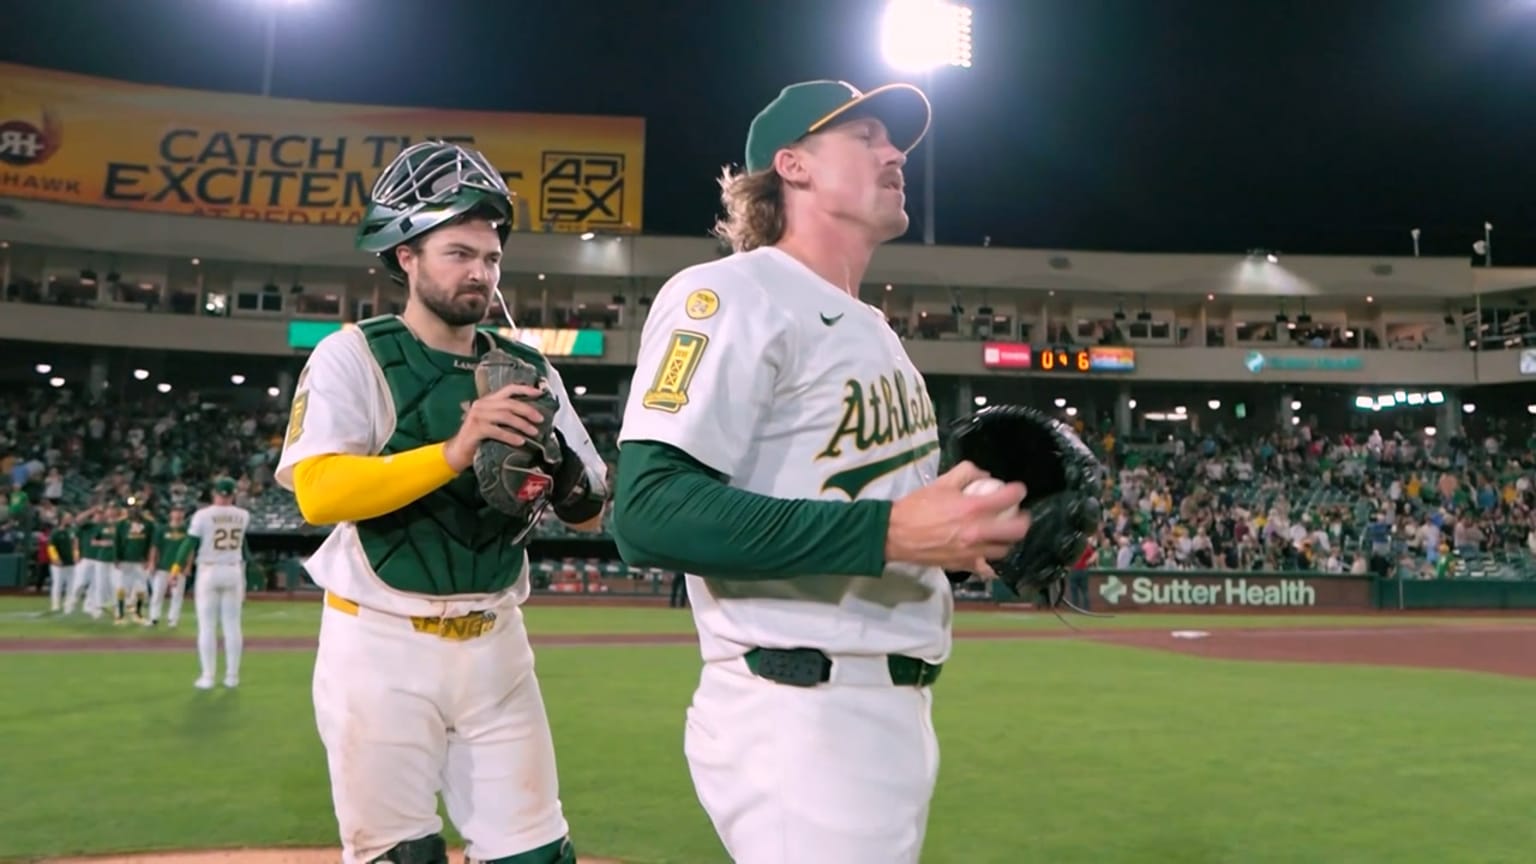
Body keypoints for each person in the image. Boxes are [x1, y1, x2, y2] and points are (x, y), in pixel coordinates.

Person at [609, 80, 1035, 864]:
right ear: (793, 165)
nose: (895, 151)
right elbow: (646, 512)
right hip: (799, 714)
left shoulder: (873, 329)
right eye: (866, 134)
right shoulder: (730, 293)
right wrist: (893, 530)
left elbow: (880, 524)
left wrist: (976, 535)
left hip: (883, 708)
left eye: (892, 138)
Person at [274, 140, 609, 864]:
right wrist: (456, 451)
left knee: (538, 856)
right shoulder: (352, 355)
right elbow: (318, 492)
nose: (480, 274)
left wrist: (571, 480)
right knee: (401, 856)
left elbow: (591, 511)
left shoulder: (528, 367)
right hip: (380, 646)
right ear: (405, 257)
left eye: (490, 258)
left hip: (496, 643)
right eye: (458, 253)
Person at [180, 478, 250, 688]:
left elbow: (189, 543)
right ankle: (232, 676)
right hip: (233, 569)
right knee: (232, 625)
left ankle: (208, 676)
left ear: (215, 493)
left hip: (209, 569)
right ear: (233, 494)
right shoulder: (243, 515)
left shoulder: (203, 515)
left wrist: (176, 567)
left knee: (207, 626)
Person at [147, 506, 190, 628]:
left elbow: (190, 550)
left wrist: (188, 566)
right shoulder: (161, 529)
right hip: (162, 566)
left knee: (177, 595)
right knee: (157, 593)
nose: (178, 514)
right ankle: (154, 617)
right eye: (176, 511)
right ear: (171, 514)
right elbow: (155, 547)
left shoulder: (187, 530)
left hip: (178, 567)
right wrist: (152, 562)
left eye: (181, 512)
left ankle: (173, 619)